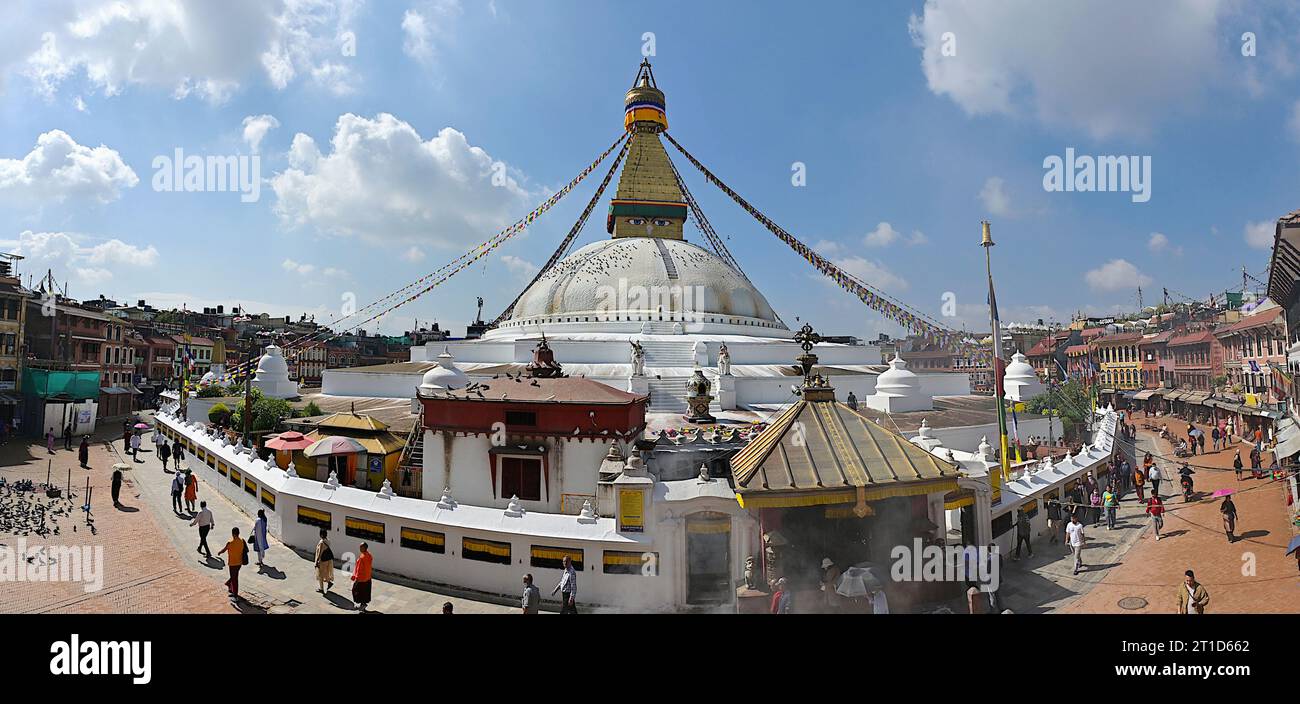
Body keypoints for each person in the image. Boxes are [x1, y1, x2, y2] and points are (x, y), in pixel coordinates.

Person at [217, 527, 246, 601]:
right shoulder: (242, 541)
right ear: (238, 533)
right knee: (234, 577)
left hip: (232, 564)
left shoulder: (230, 543)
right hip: (239, 563)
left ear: (232, 534)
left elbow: (224, 550)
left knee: (234, 579)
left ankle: (235, 596)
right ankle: (231, 588)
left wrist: (219, 552)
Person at [351, 542, 373, 612]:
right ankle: (363, 606)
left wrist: (356, 578)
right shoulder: (369, 555)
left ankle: (362, 605)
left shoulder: (362, 557)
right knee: (364, 592)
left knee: (355, 590)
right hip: (368, 578)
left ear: (364, 548)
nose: (359, 548)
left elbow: (359, 569)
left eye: (361, 547)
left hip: (361, 578)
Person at [313, 528, 334, 594]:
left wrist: (317, 561)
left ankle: (321, 588)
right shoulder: (328, 541)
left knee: (320, 575)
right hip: (328, 559)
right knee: (326, 572)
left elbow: (319, 553)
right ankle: (329, 582)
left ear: (321, 535)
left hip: (322, 561)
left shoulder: (321, 543)